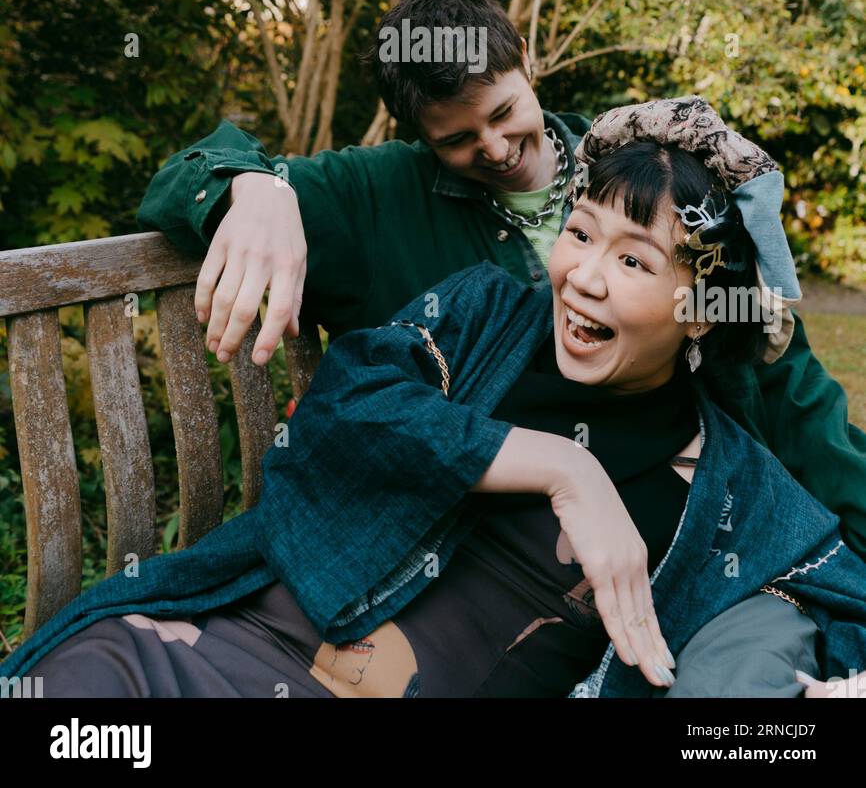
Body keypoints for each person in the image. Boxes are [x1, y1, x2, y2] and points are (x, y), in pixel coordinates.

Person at [5, 100, 866, 698]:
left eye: (636, 261)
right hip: (213, 648)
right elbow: (345, 407)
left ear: (702, 315)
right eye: (579, 234)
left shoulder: (726, 489)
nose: (585, 280)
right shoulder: (486, 315)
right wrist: (565, 468)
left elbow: (838, 585)